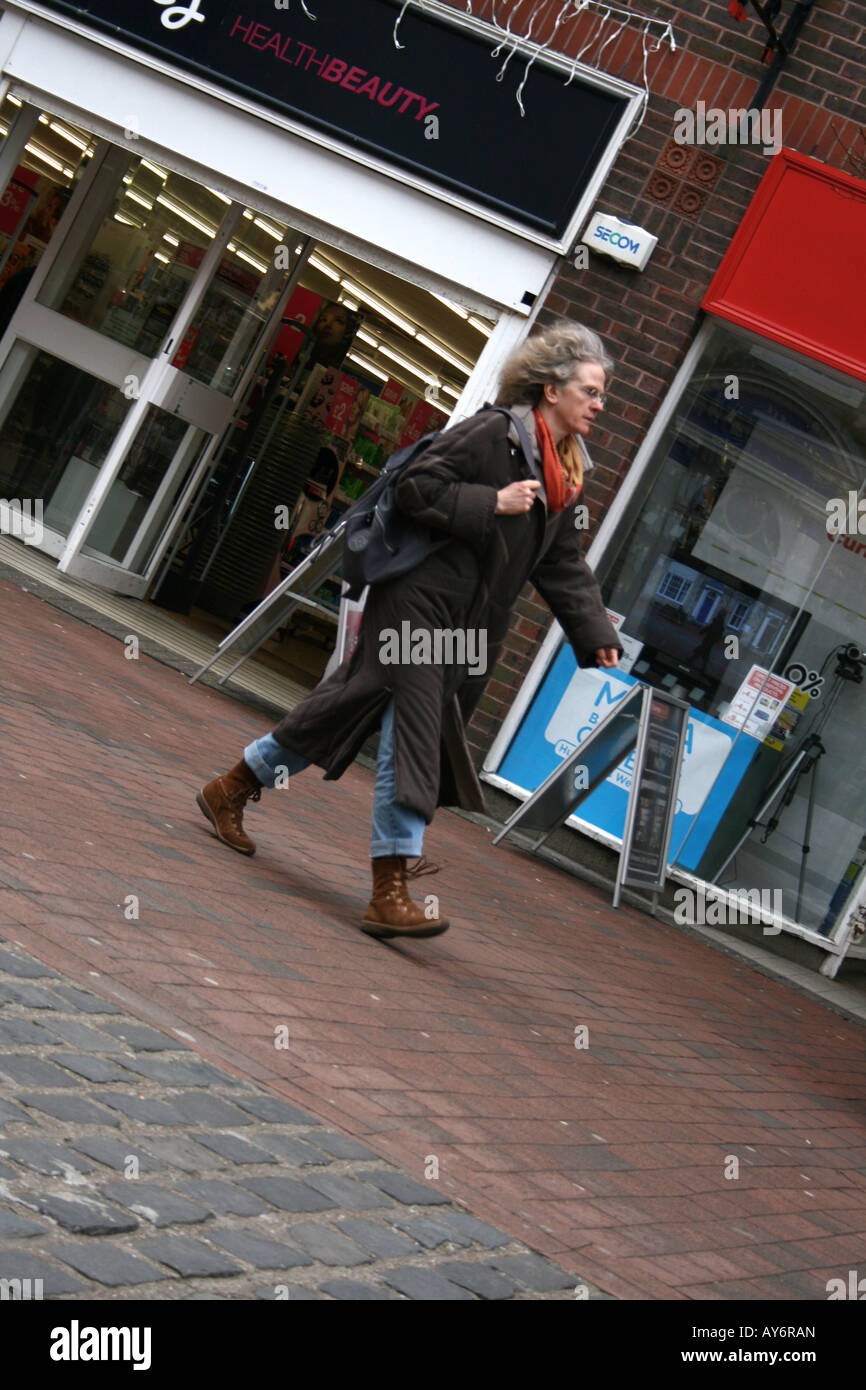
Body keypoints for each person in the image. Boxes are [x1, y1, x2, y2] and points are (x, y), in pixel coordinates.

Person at [196, 321, 622, 940]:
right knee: (415, 731)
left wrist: (592, 628)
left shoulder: (567, 470)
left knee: (351, 701)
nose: (599, 405)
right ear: (551, 390)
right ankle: (389, 887)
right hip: (418, 601)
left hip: (471, 627)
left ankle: (232, 785)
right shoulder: (491, 433)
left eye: (602, 394)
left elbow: (560, 561)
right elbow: (416, 487)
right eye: (590, 390)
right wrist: (489, 503)